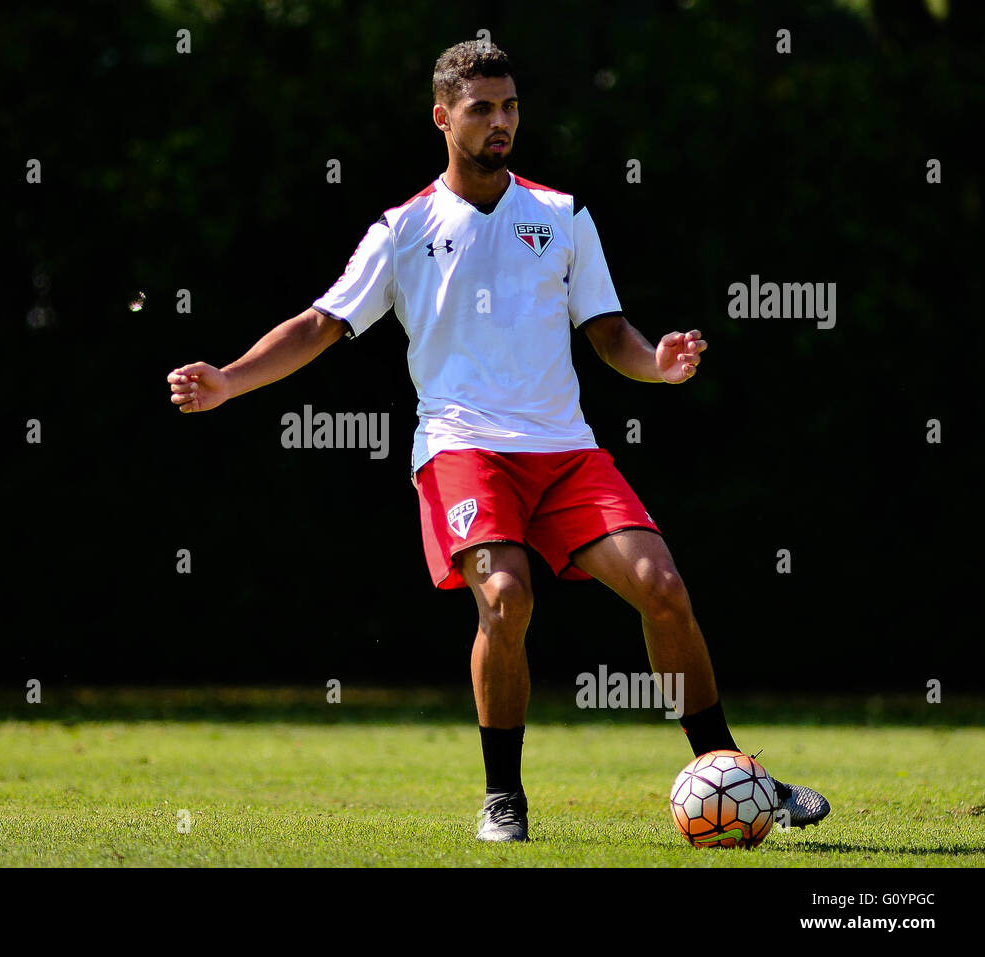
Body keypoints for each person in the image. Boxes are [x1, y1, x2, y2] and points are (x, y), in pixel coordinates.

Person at [167, 40, 829, 842]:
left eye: (510, 105)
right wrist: (230, 379)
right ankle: (503, 797)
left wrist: (656, 364)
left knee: (662, 585)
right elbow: (319, 323)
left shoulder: (561, 214)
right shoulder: (402, 228)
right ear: (443, 117)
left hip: (566, 452)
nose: (501, 121)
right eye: (482, 108)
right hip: (464, 451)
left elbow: (610, 330)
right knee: (506, 596)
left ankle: (733, 770)